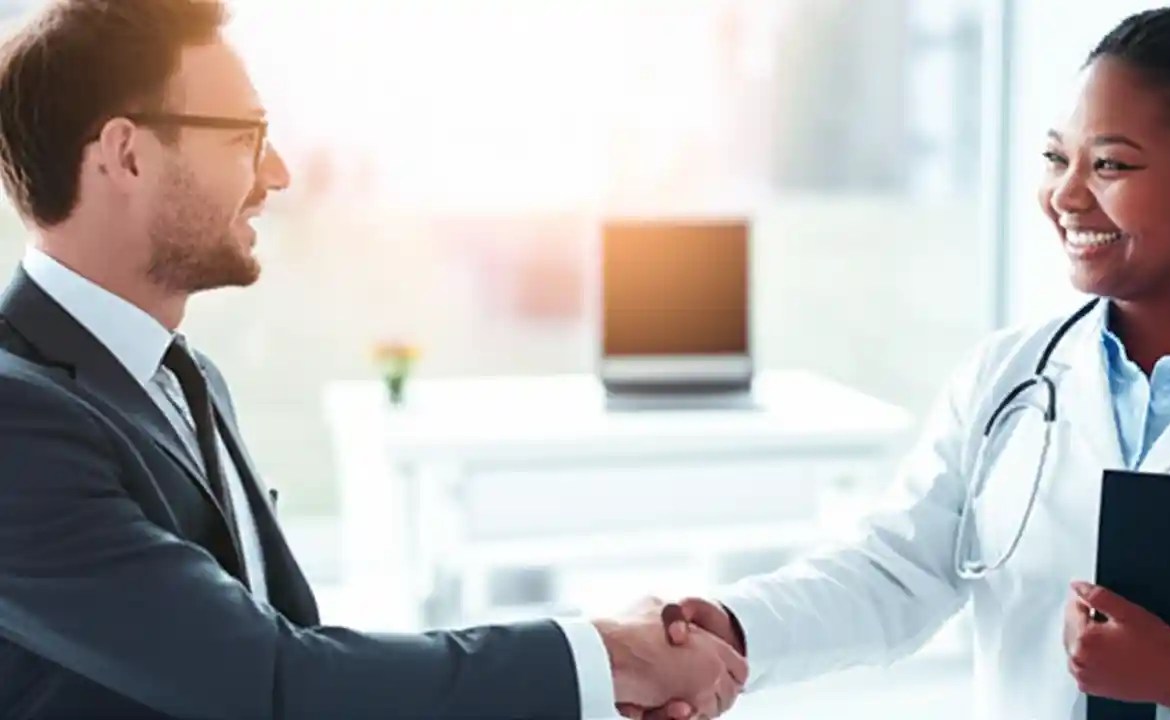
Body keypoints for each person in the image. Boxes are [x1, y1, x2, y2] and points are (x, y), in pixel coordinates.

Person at [0, 1, 746, 718]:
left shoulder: (182, 377)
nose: (279, 174)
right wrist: (603, 657)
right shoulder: (16, 421)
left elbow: (291, 651)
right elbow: (272, 679)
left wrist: (606, 665)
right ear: (127, 156)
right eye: (244, 137)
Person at [648, 5, 1170, 720]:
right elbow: (893, 570)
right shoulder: (1010, 377)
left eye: (1109, 164)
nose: (1066, 196)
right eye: (1056, 158)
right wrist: (734, 629)